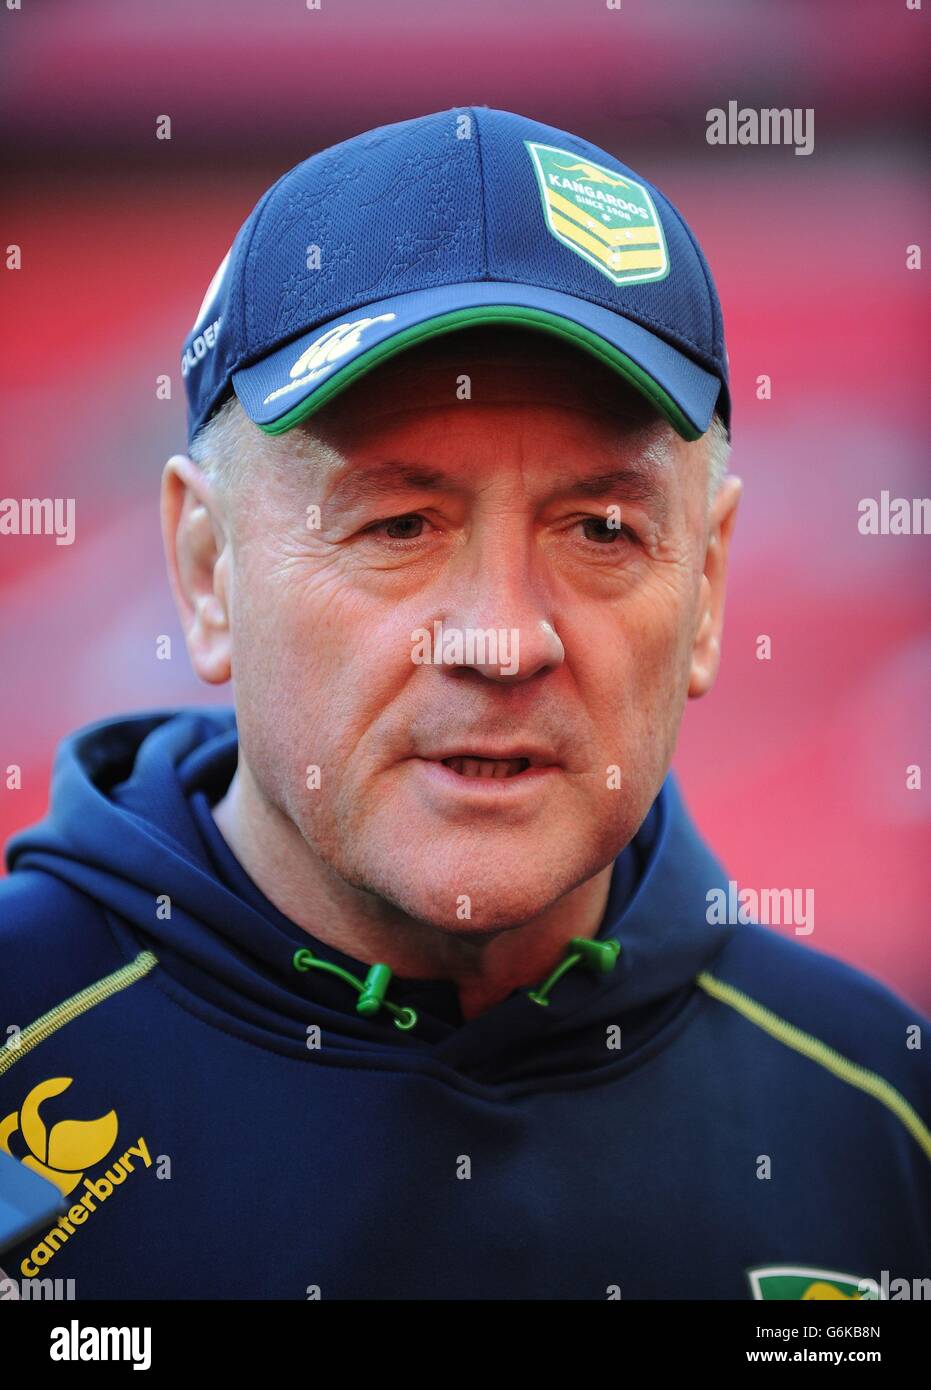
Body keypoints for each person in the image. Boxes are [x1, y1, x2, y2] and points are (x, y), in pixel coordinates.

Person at [0, 108, 927, 1301]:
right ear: (204, 569)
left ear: (705, 589)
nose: (501, 637)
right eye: (398, 525)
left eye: (600, 529)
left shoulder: (875, 1107)